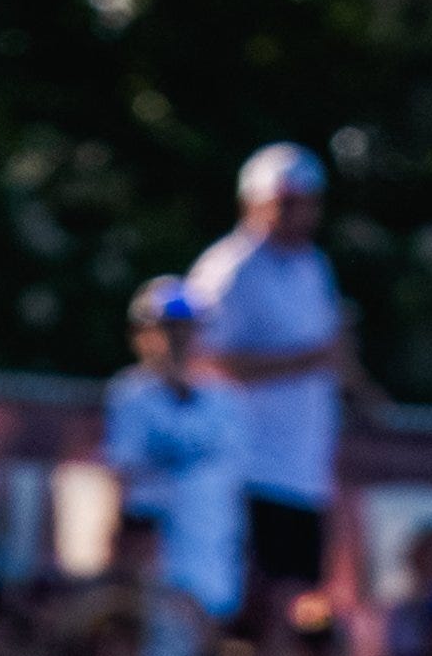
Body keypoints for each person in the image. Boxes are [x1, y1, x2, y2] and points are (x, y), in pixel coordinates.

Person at [186, 145, 345, 603]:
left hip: (303, 471)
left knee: (298, 601)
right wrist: (304, 361)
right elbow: (203, 360)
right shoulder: (229, 269)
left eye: (305, 202)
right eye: (284, 202)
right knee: (254, 604)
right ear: (252, 203)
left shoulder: (314, 266)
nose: (296, 214)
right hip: (248, 467)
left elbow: (331, 353)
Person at [102, 280, 246, 626]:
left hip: (212, 565)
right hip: (154, 572)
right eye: (167, 328)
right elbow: (124, 484)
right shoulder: (131, 397)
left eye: (187, 328)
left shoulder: (227, 402)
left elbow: (234, 488)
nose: (178, 339)